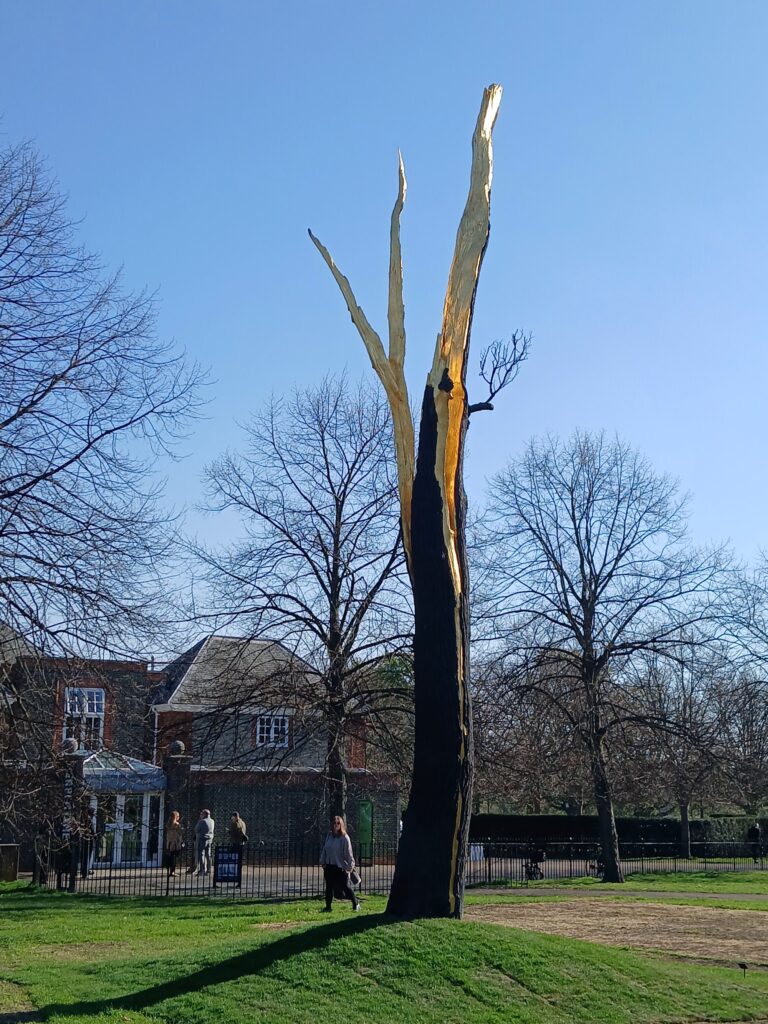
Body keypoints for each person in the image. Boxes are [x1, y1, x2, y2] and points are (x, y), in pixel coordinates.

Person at [319, 814, 360, 912]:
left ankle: (356, 903)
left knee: (345, 887)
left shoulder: (344, 838)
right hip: (329, 866)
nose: (335, 825)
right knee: (329, 887)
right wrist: (322, 861)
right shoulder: (329, 836)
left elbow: (349, 854)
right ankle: (328, 907)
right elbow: (325, 849)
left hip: (340, 867)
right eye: (334, 823)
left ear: (341, 824)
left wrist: (350, 867)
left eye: (338, 823)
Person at [193, 808, 215, 875]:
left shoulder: (202, 821)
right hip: (209, 839)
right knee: (208, 854)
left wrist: (200, 820)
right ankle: (209, 870)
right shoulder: (212, 821)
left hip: (202, 839)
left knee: (201, 854)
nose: (201, 815)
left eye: (202, 814)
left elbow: (196, 829)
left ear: (204, 814)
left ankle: (202, 870)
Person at [165, 810, 184, 877]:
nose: (179, 817)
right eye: (178, 816)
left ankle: (170, 871)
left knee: (171, 858)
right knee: (174, 858)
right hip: (175, 843)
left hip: (169, 843)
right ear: (176, 817)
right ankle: (172, 872)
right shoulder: (177, 825)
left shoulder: (168, 824)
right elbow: (180, 834)